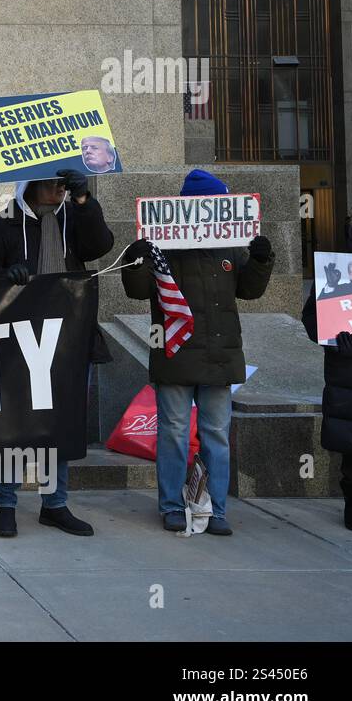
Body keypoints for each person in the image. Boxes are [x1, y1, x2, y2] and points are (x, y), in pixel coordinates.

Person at [121, 168, 274, 535]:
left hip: (219, 357)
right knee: (174, 432)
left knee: (215, 436)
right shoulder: (164, 245)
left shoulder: (230, 245)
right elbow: (138, 290)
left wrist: (260, 260)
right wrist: (136, 257)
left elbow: (250, 291)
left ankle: (213, 510)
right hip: (176, 355)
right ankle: (173, 505)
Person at [0, 169, 115, 537]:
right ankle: (6, 502)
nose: (59, 189)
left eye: (64, 184)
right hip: (21, 339)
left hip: (69, 337)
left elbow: (100, 245)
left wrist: (85, 201)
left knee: (61, 423)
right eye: (52, 183)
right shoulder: (3, 223)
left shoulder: (73, 217)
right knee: (14, 423)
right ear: (30, 185)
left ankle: (55, 503)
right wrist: (5, 273)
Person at [302, 208, 352, 532]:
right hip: (348, 377)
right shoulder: (335, 270)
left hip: (345, 377)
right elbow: (313, 321)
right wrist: (334, 340)